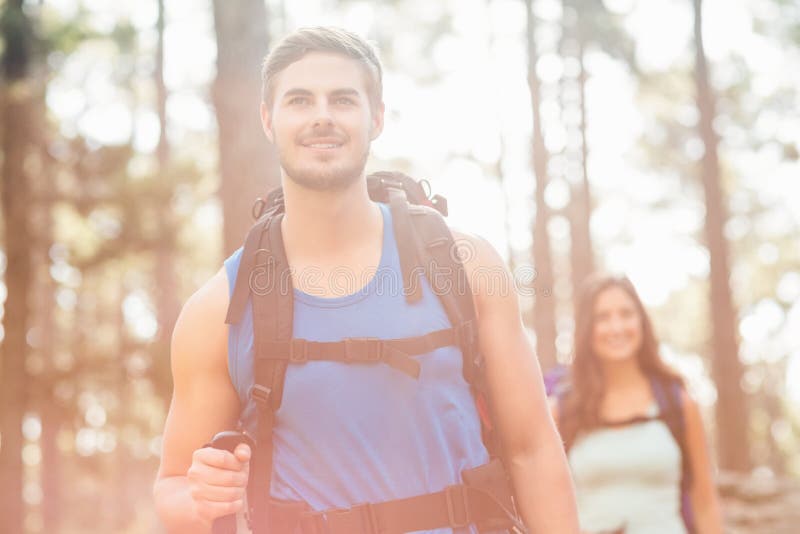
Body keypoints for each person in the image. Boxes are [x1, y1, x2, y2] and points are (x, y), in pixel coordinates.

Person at [153, 26, 579, 534]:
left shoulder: (466, 264)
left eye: (343, 100)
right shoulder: (218, 310)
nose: (322, 117)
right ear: (268, 119)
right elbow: (172, 486)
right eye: (299, 100)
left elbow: (533, 448)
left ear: (376, 118)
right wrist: (202, 494)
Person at [550, 274, 723, 534]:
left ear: (642, 321)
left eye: (626, 314)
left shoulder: (678, 403)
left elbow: (705, 503)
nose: (617, 327)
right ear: (587, 328)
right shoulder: (561, 411)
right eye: (603, 317)